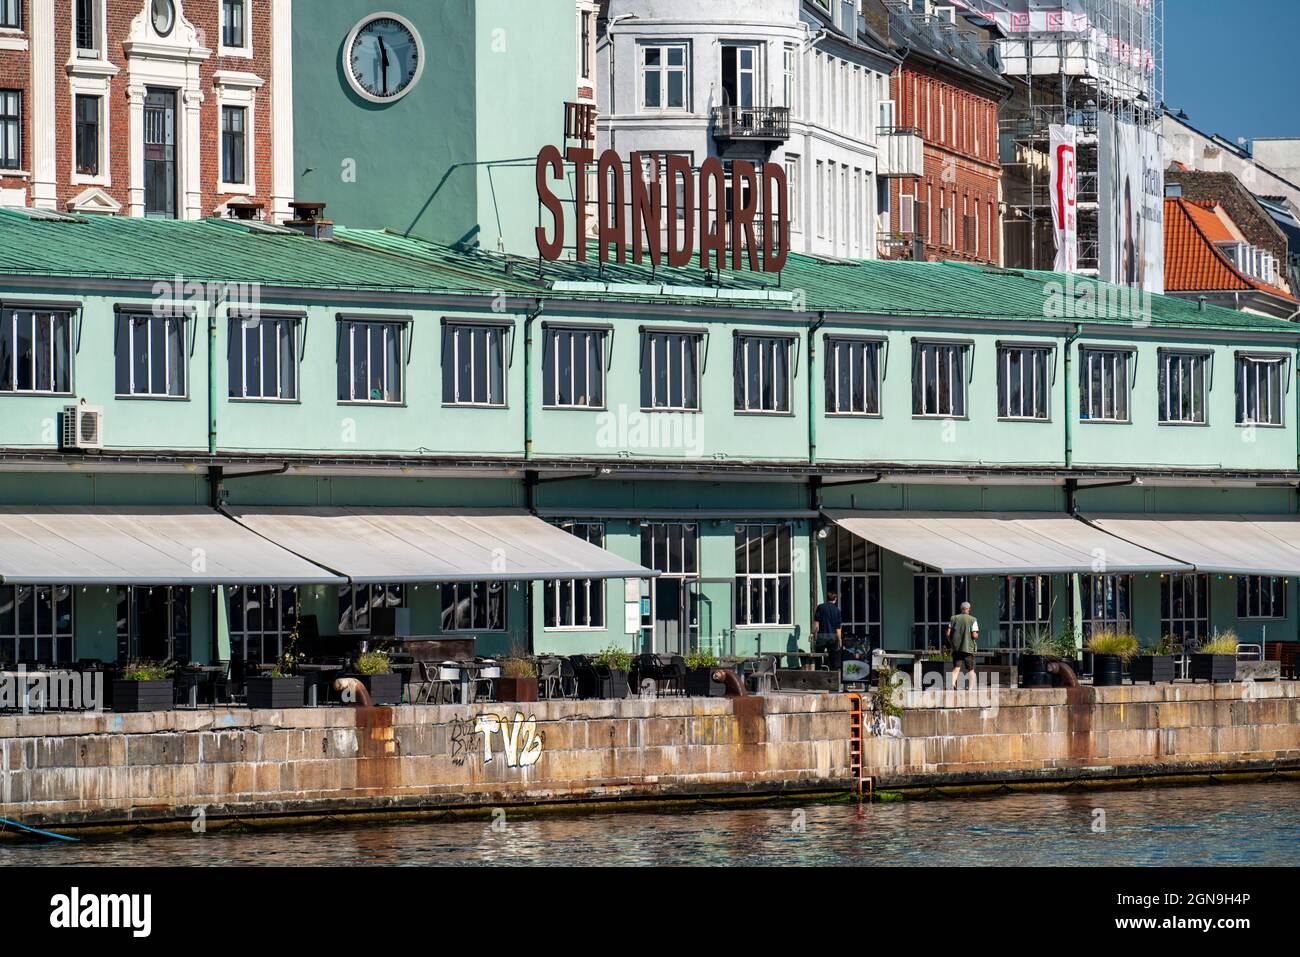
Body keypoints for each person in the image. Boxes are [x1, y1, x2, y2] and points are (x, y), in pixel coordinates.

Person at [945, 601, 979, 690]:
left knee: (956, 667)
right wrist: (976, 637)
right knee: (970, 669)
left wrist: (951, 641)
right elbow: (974, 635)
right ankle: (970, 688)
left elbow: (948, 633)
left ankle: (952, 684)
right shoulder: (973, 619)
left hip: (957, 648)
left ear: (961, 609)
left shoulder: (953, 618)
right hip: (968, 648)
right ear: (969, 609)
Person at [811, 589, 843, 672]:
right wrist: (840, 640)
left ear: (827, 598)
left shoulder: (820, 607)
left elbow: (816, 624)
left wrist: (812, 633)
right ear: (835, 599)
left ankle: (818, 672)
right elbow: (838, 628)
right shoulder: (837, 610)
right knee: (833, 658)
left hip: (822, 636)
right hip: (833, 637)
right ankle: (832, 676)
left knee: (818, 656)